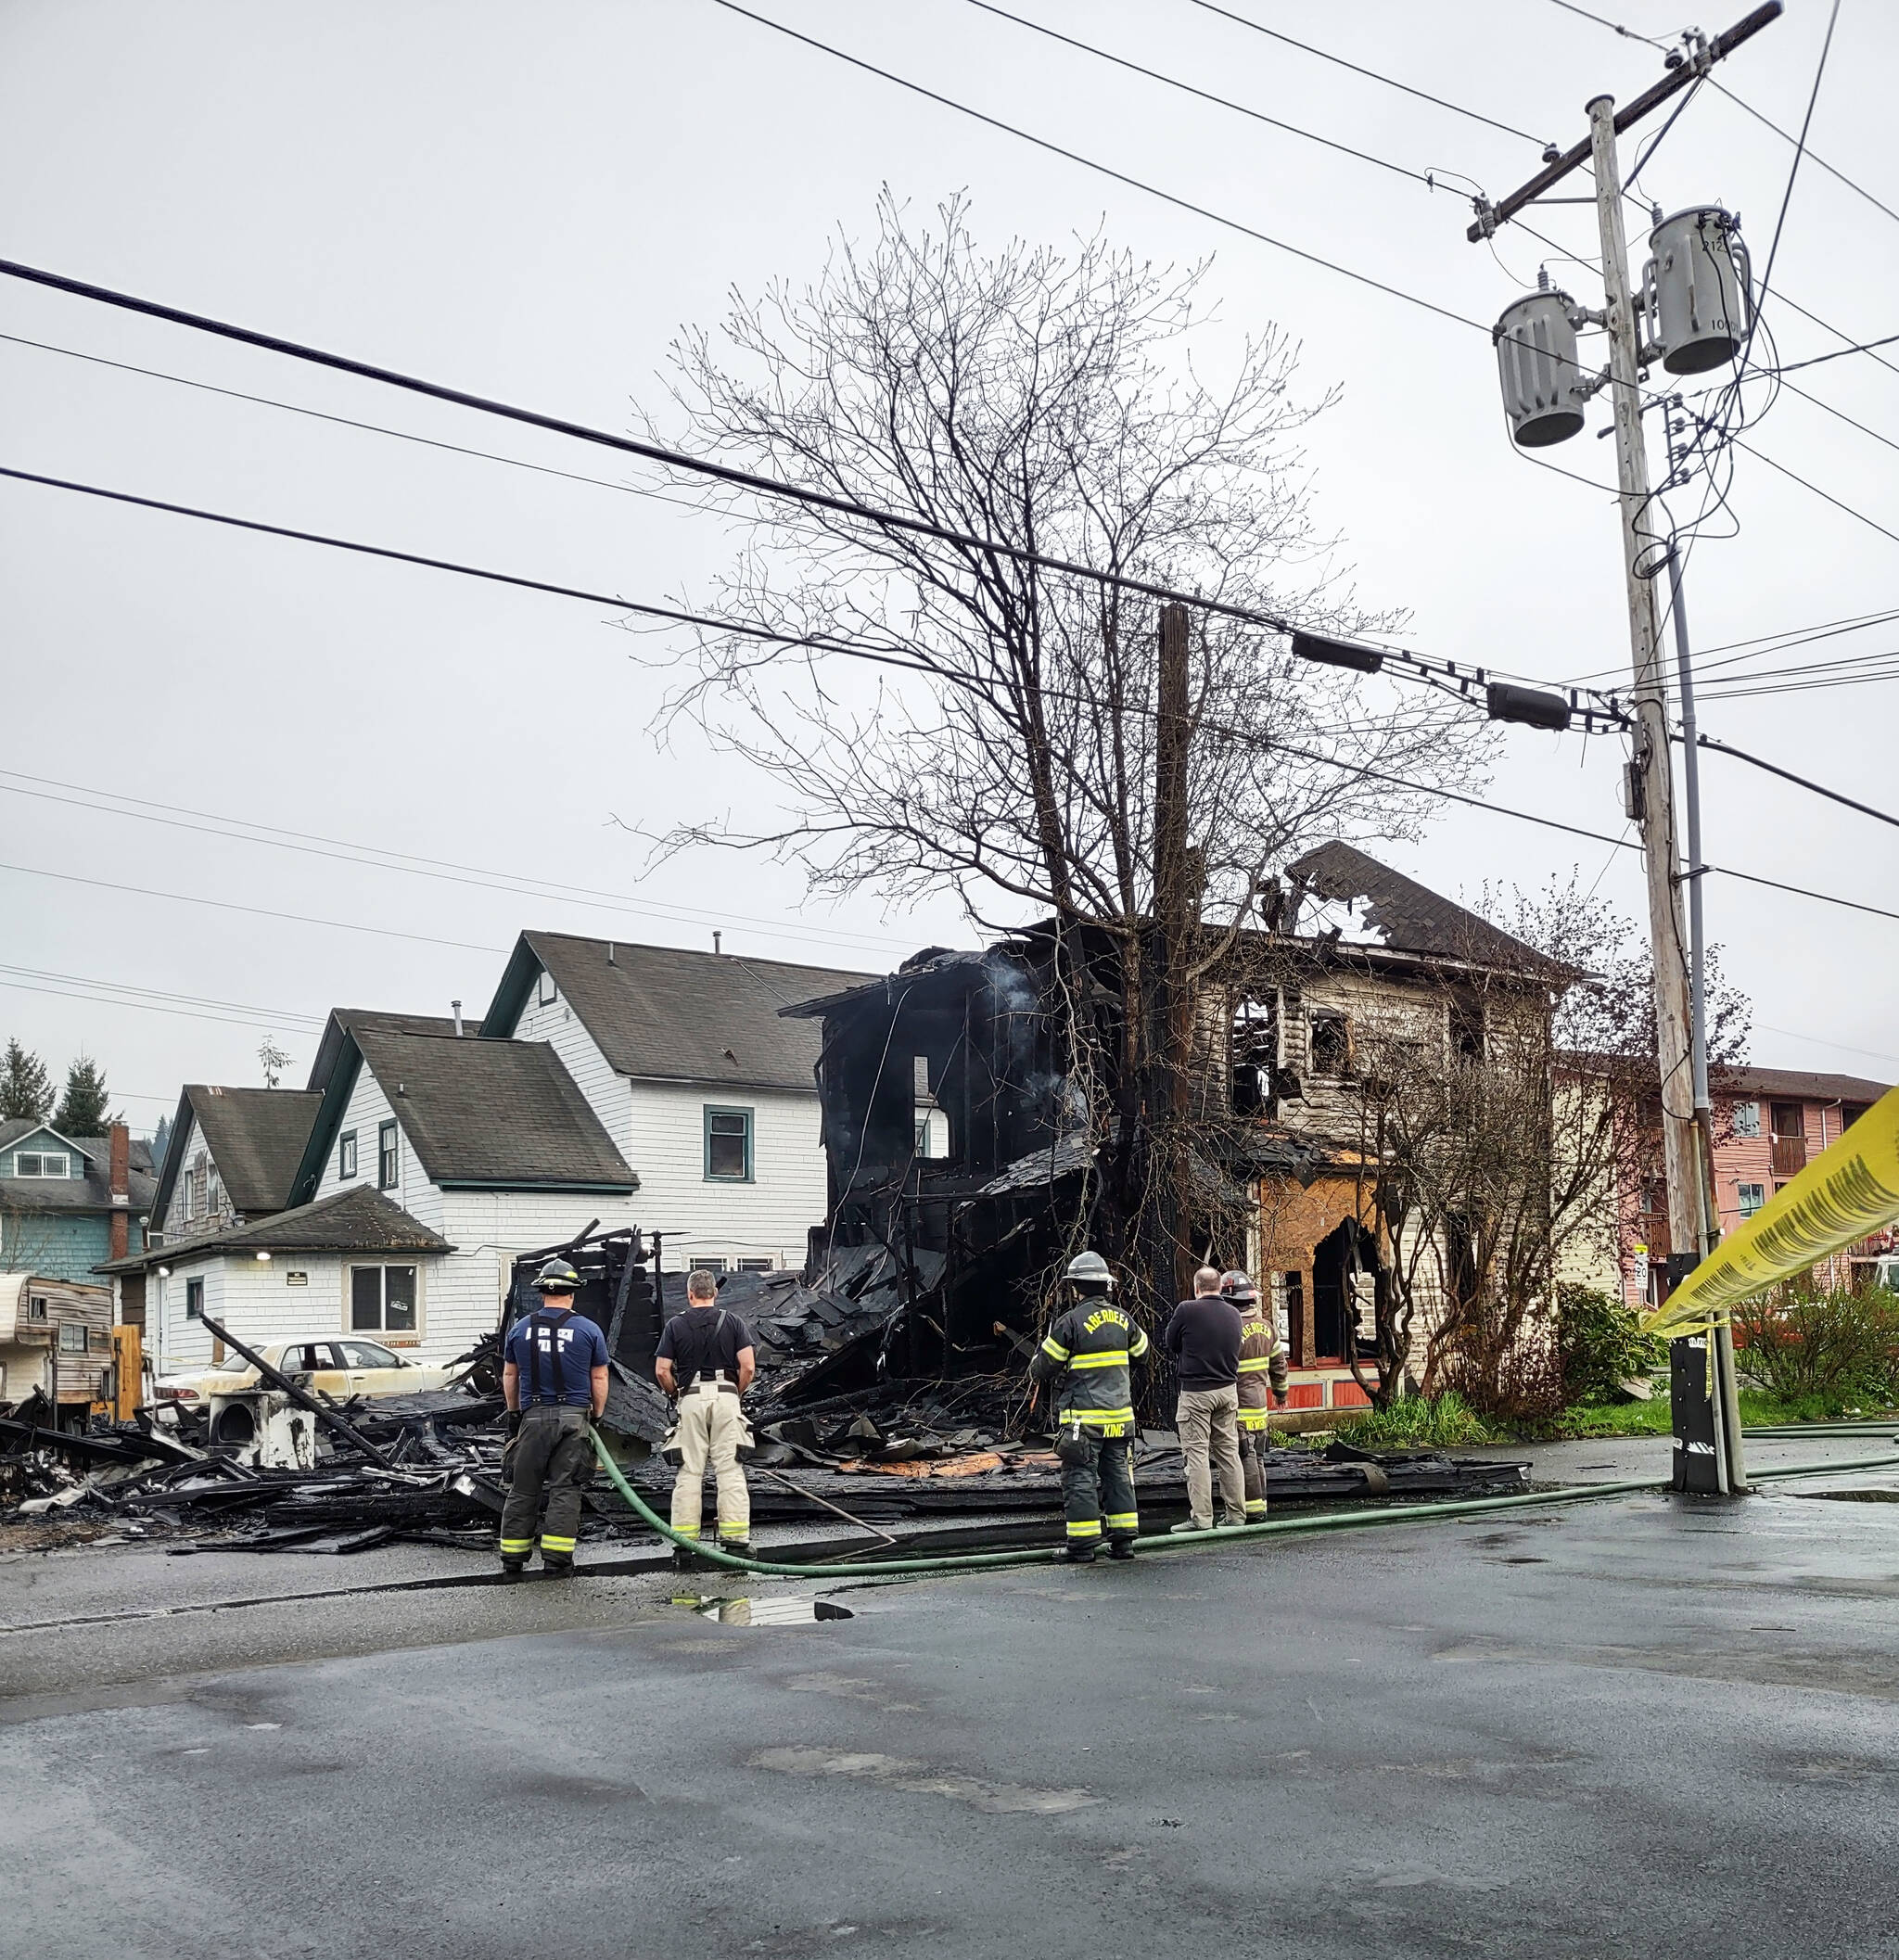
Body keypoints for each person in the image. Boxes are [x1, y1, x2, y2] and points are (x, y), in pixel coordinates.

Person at [1028, 1250, 1149, 1563]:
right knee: (1118, 1476)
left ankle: (1081, 1547)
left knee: (1080, 1478)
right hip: (1121, 1419)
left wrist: (1038, 1360)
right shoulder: (1125, 1319)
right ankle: (1123, 1544)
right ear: (1106, 1286)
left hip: (1084, 1422)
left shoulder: (1070, 1322)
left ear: (1076, 1287)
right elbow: (1143, 1355)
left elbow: (1043, 1368)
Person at [498, 1257, 609, 1576]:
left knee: (523, 1489)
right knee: (565, 1489)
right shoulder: (588, 1330)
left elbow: (510, 1375)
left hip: (533, 1417)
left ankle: (513, 1559)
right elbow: (599, 1379)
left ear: (542, 1294)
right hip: (574, 1419)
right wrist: (596, 1416)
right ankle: (557, 1561)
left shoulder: (520, 1330)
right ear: (572, 1294)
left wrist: (515, 1414)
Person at [656, 1269, 757, 1564]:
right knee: (730, 1469)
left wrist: (676, 1394)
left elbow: (662, 1369)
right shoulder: (734, 1322)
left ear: (690, 1294)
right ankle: (736, 1541)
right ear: (715, 1293)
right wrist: (734, 1393)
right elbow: (748, 1367)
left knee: (689, 1472)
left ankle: (685, 1543)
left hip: (690, 1398)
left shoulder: (676, 1325)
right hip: (726, 1396)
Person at [1163, 1266, 1248, 1534]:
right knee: (1229, 1453)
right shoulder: (1234, 1314)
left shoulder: (1187, 1309)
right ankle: (1236, 1515)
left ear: (1196, 1288)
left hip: (1196, 1393)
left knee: (1197, 1455)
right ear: (1220, 1288)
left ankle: (1201, 1518)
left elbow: (1170, 1342)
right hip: (1228, 1392)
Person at [1222, 1268, 1289, 1520]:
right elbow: (1279, 1366)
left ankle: (1253, 1511)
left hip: (1239, 1406)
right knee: (1258, 1457)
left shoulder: (1231, 1329)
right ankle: (1261, 1505)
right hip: (1260, 1405)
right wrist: (1281, 1395)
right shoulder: (1268, 1328)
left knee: (1246, 1456)